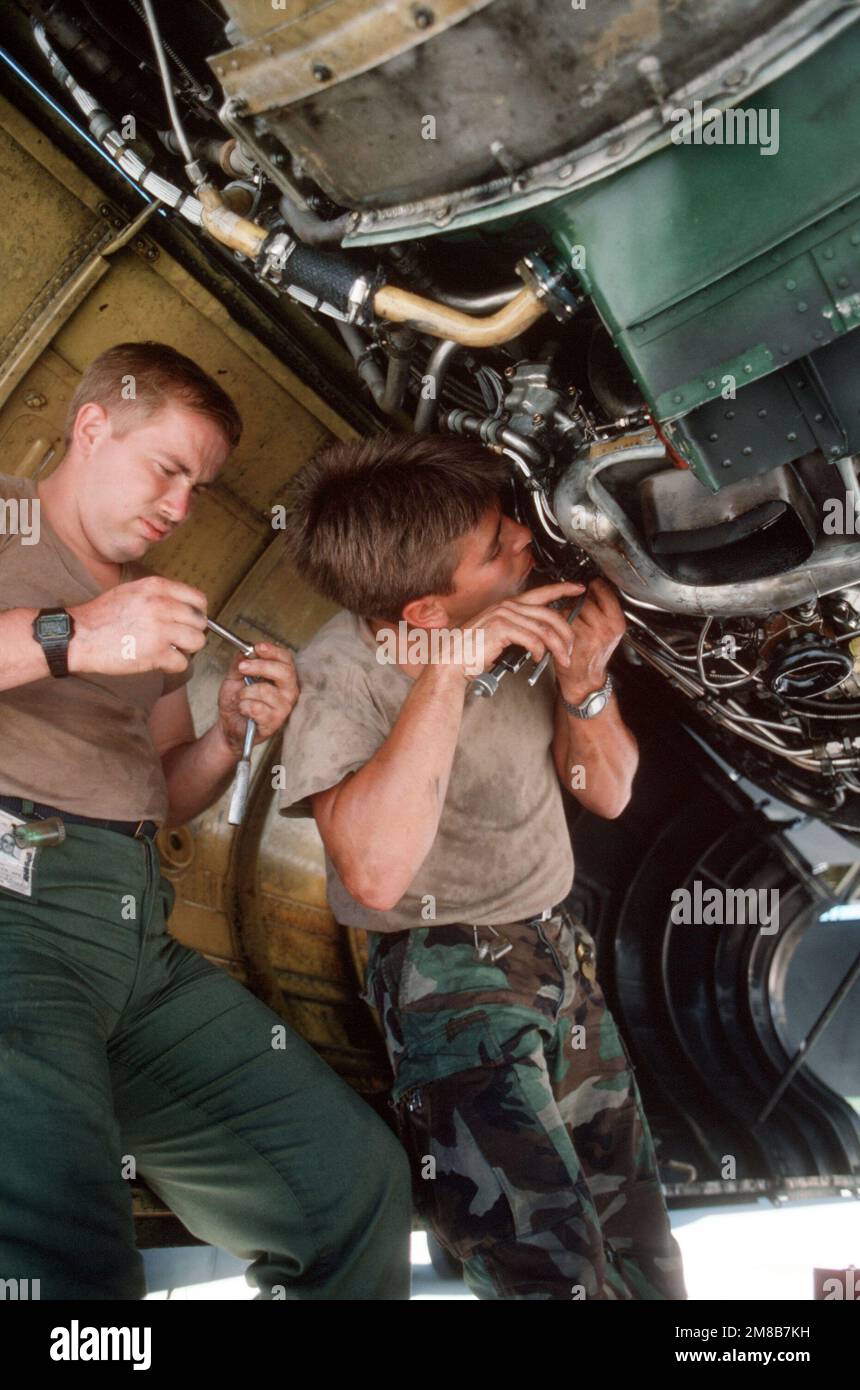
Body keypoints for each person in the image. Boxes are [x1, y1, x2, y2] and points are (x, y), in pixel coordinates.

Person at [0, 342, 411, 1300]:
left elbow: (164, 790)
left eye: (201, 486)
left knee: (351, 1191)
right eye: (169, 470)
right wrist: (80, 634)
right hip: (17, 916)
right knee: (71, 1264)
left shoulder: (149, 598)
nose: (182, 508)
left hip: (135, 939)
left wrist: (229, 733)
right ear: (93, 425)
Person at [277, 431, 688, 1300]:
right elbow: (377, 876)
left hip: (555, 951)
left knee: (641, 1250)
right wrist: (449, 676)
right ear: (428, 611)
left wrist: (586, 685)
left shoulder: (527, 619)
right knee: (549, 1270)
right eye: (499, 550)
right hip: (445, 980)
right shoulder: (339, 679)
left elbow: (607, 793)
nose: (526, 548)